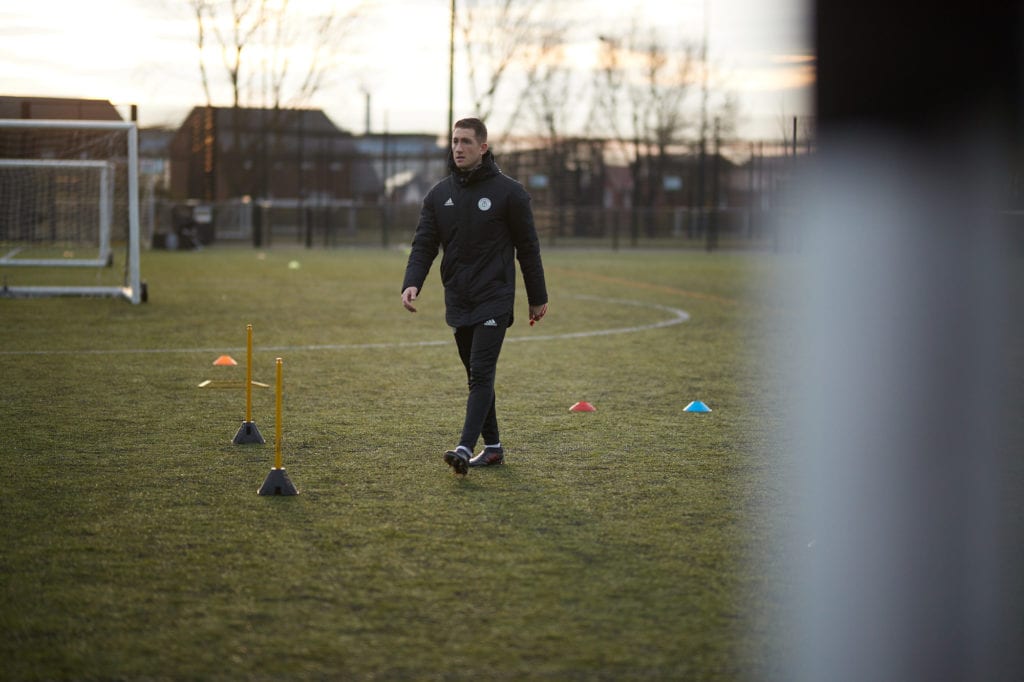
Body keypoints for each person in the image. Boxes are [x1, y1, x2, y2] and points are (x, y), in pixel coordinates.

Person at [401, 117, 548, 475]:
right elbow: (424, 244)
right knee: (475, 376)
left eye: (466, 141)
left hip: (495, 297)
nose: (458, 148)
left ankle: (465, 448)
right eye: (454, 141)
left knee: (481, 373)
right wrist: (412, 282)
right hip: (459, 298)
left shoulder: (510, 193)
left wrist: (537, 296)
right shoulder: (439, 195)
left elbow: (528, 248)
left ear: (483, 147)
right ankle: (493, 448)